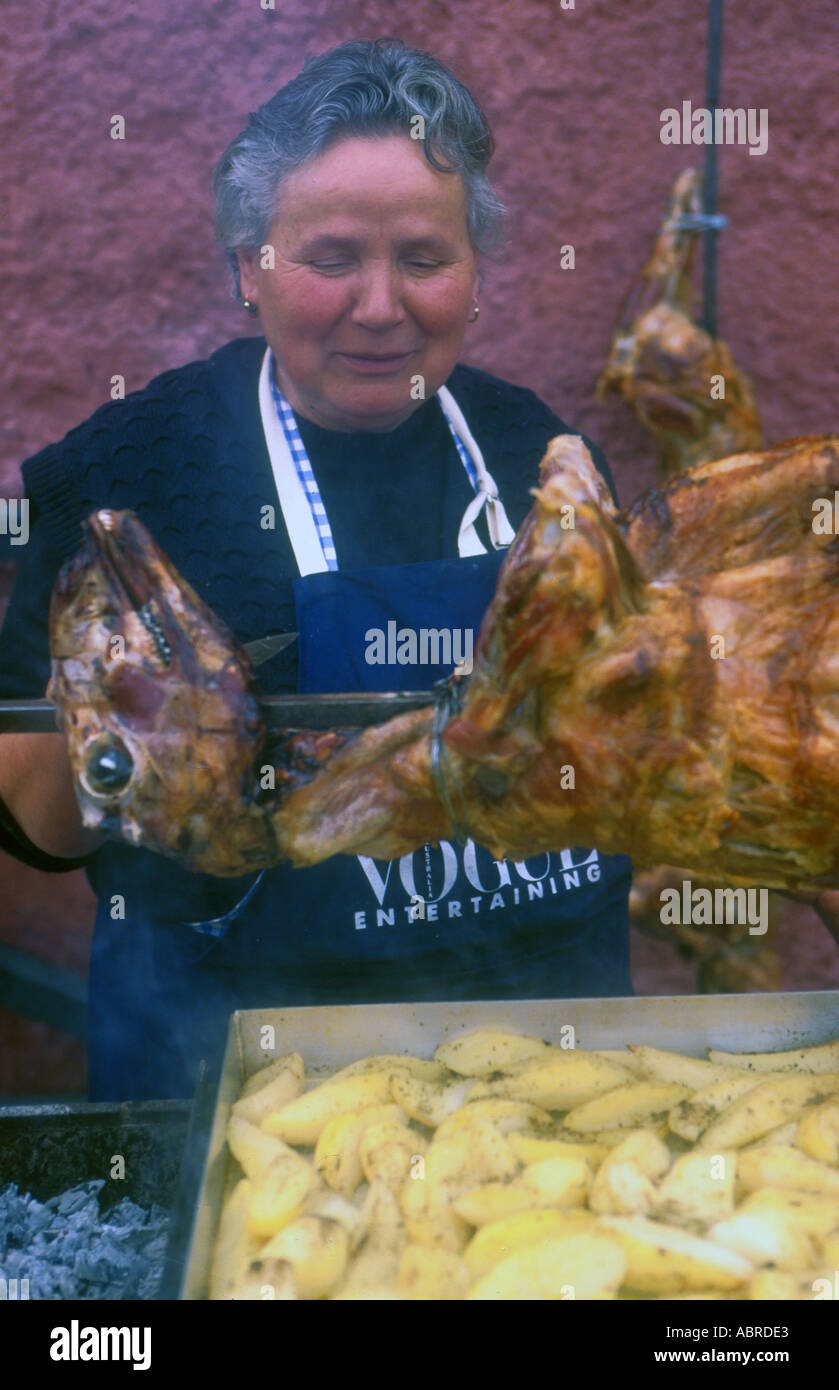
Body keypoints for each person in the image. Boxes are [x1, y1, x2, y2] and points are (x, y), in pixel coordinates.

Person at [0, 38, 634, 1102]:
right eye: (331, 257)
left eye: (424, 260)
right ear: (248, 266)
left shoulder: (545, 459)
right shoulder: (126, 482)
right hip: (236, 1085)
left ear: (475, 271)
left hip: (548, 1072)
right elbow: (35, 825)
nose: (381, 307)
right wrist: (120, 725)